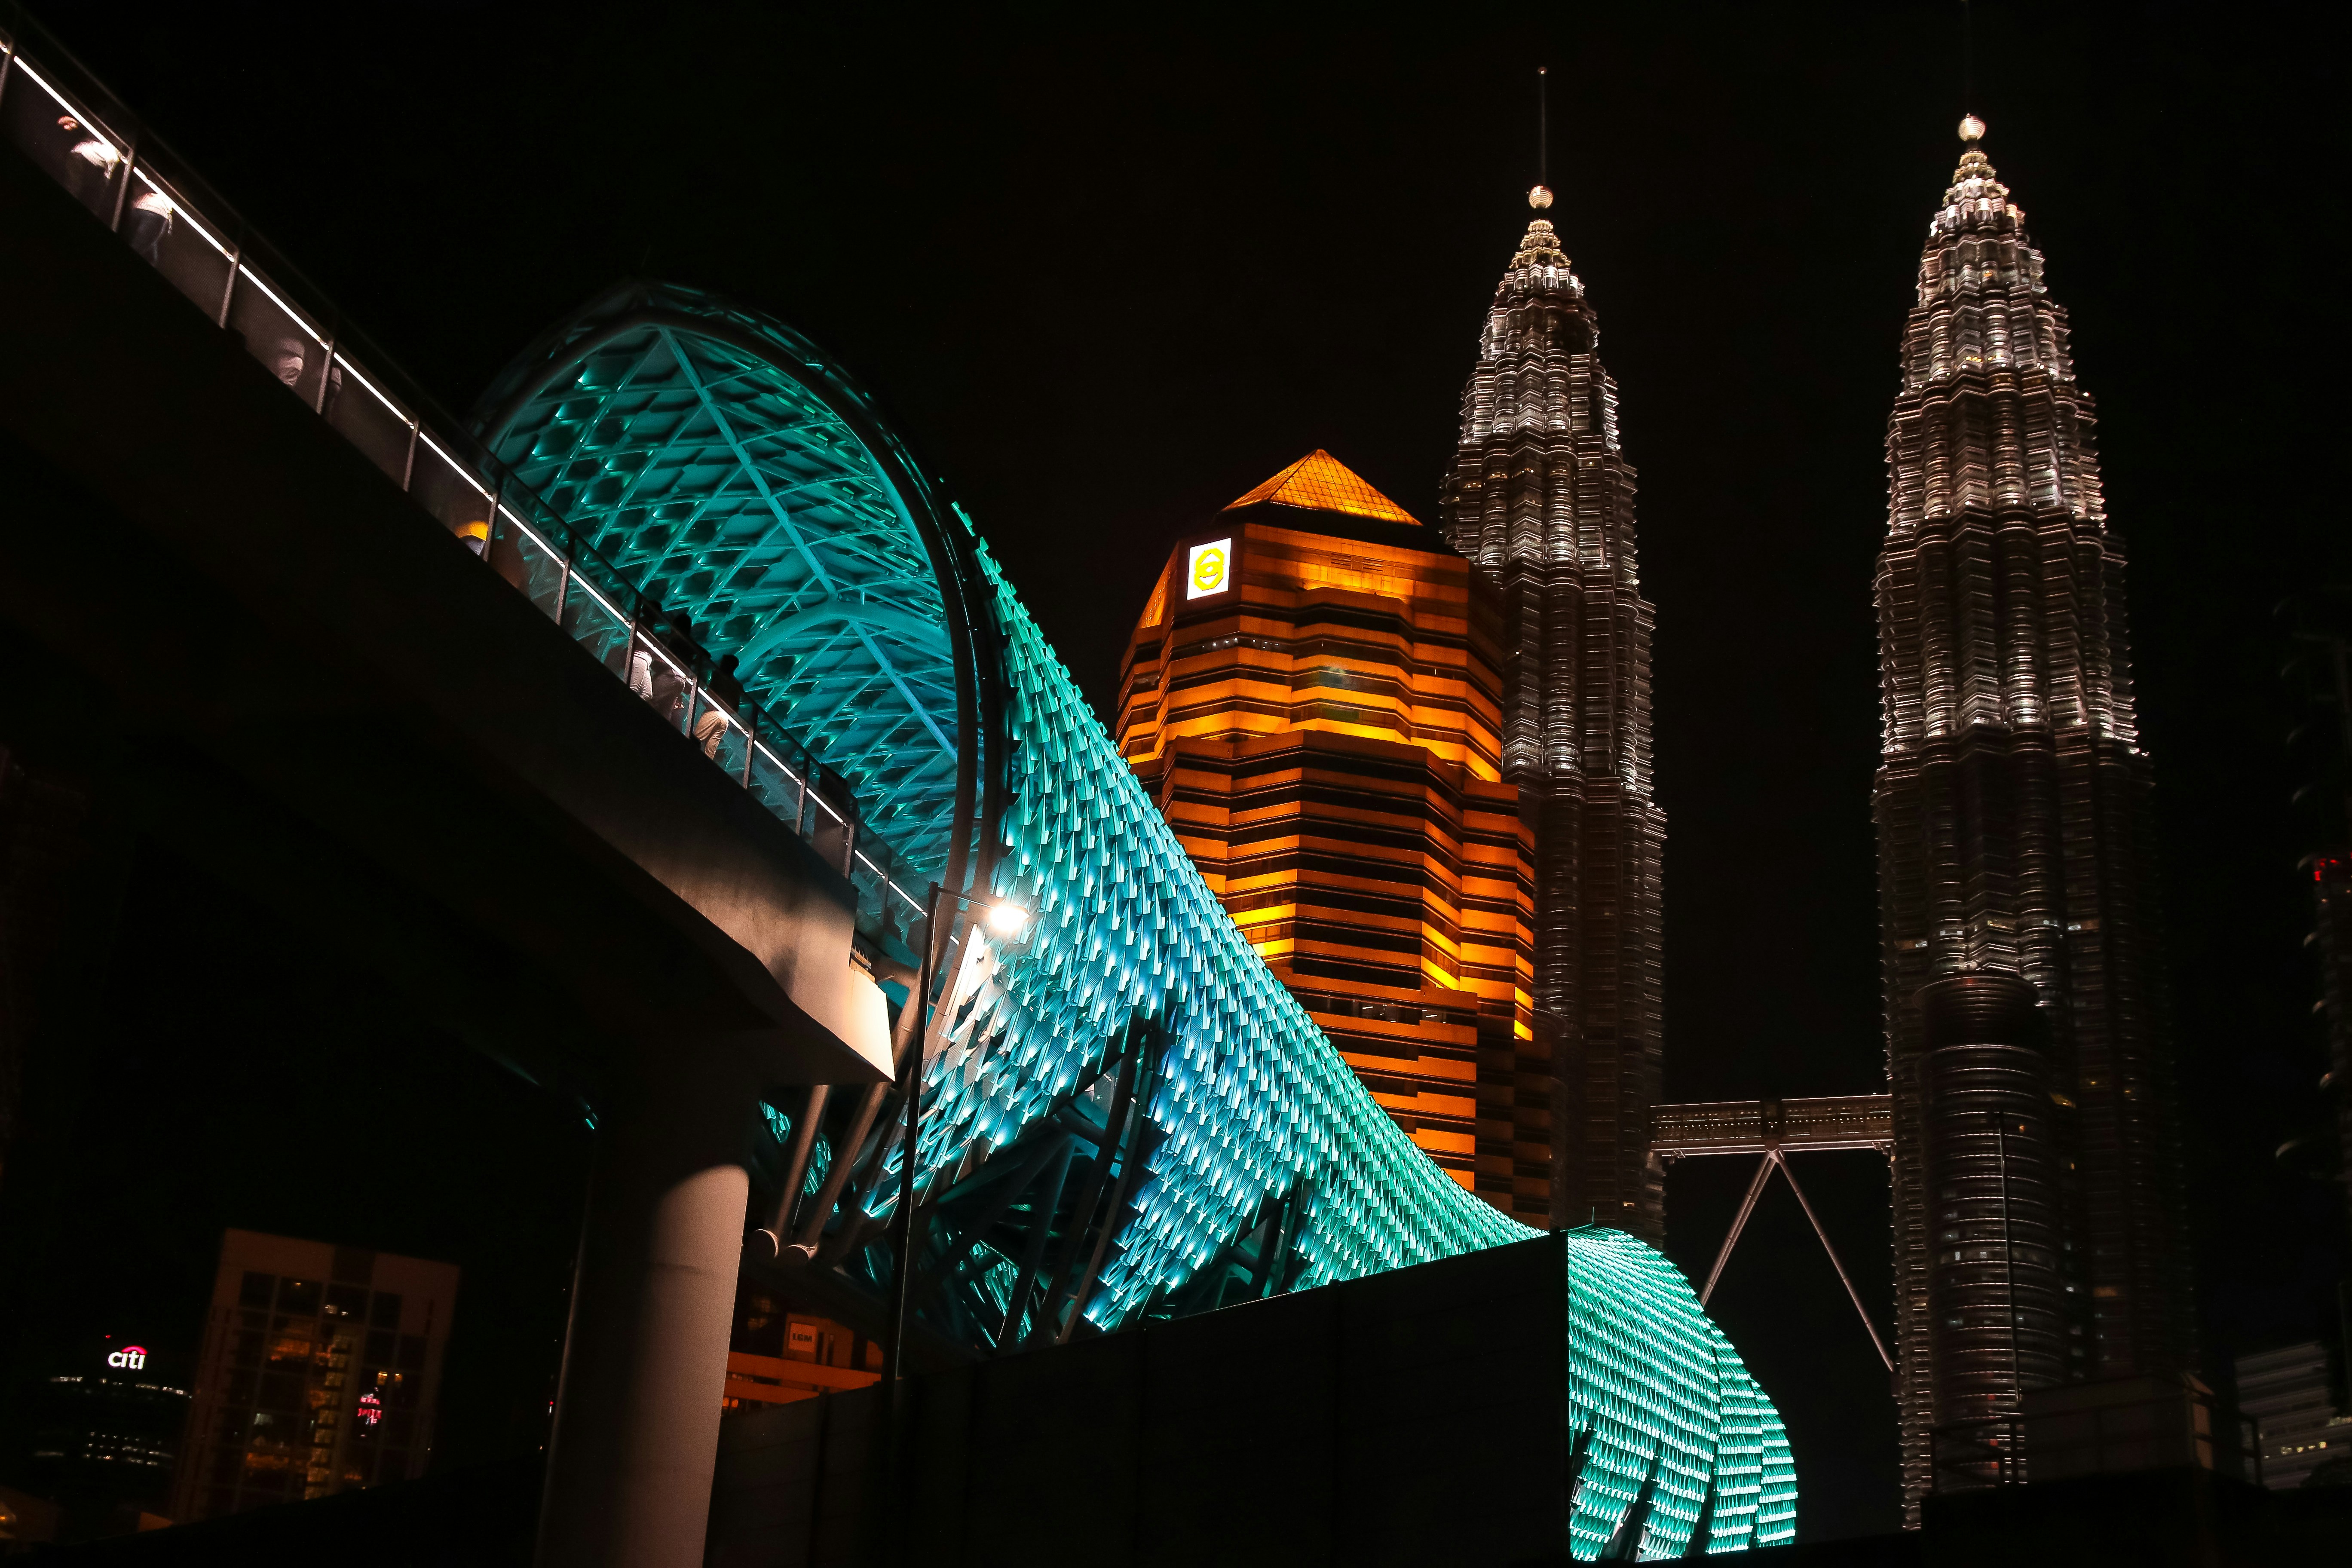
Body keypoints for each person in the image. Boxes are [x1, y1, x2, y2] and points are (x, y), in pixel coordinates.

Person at [695, 653, 745, 760]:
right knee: (710, 750)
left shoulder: (717, 675)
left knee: (696, 739)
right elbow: (735, 710)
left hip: (712, 713)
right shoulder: (738, 686)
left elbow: (709, 694)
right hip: (725, 719)